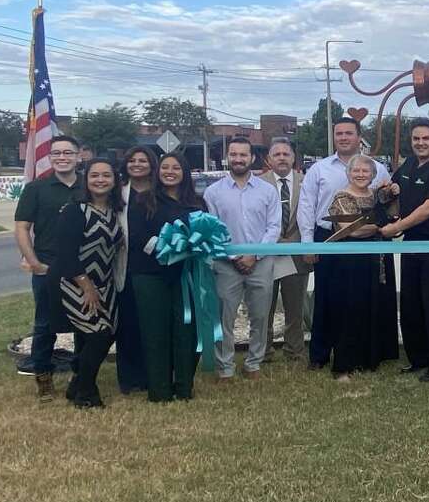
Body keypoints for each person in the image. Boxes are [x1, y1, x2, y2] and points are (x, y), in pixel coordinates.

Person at [297, 117, 390, 369]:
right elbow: (306, 205)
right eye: (339, 133)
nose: (344, 137)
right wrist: (308, 243)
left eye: (349, 133)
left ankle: (362, 353)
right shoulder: (319, 169)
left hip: (366, 243)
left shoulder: (378, 168)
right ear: (334, 137)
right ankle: (319, 355)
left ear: (359, 136)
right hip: (326, 238)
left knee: (360, 298)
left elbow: (385, 200)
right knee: (327, 297)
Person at [382, 118, 429, 381]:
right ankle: (418, 359)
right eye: (416, 139)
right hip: (412, 245)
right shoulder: (408, 165)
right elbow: (393, 193)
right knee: (411, 303)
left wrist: (396, 228)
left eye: (426, 138)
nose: (421, 143)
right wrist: (389, 193)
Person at [204, 137, 281, 380]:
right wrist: (236, 256)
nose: (238, 159)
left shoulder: (268, 191)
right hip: (226, 264)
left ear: (252, 158)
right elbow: (213, 229)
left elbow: (274, 227)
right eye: (234, 154)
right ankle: (225, 367)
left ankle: (253, 363)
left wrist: (254, 255)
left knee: (260, 316)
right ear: (228, 157)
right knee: (224, 317)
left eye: (243, 155)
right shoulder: (213, 192)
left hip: (261, 262)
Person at [313, 155, 397, 379]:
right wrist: (379, 225)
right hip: (349, 263)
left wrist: (381, 218)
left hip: (375, 260)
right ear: (348, 173)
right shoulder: (342, 196)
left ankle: (368, 359)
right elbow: (351, 230)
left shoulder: (376, 196)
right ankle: (344, 364)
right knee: (349, 309)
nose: (360, 174)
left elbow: (394, 214)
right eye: (356, 171)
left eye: (365, 171)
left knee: (371, 306)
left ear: (372, 174)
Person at [50, 158, 124, 408]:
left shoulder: (116, 211)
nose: (100, 180)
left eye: (106, 175)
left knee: (109, 334)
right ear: (86, 179)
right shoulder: (74, 211)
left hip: (107, 285)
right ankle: (86, 393)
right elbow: (65, 252)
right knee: (99, 336)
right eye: (95, 175)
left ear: (115, 181)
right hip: (76, 284)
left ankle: (77, 382)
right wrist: (86, 286)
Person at [130, 152, 203, 402]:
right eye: (165, 167)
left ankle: (184, 388)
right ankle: (159, 391)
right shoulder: (143, 200)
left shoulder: (197, 203)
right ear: (157, 171)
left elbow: (206, 234)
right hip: (150, 275)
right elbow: (138, 236)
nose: (170, 171)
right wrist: (169, 249)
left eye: (176, 168)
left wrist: (194, 250)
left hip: (187, 277)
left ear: (185, 173)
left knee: (187, 331)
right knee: (155, 332)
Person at [14, 133, 81, 401]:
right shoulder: (36, 189)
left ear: (79, 156)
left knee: (83, 326)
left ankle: (81, 376)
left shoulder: (89, 187)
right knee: (45, 326)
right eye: (56, 153)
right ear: (50, 157)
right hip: (48, 269)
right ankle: (43, 379)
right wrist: (34, 263)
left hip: (82, 269)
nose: (62, 158)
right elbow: (22, 229)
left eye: (68, 153)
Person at [259, 137, 310, 363]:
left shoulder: (306, 181)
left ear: (293, 158)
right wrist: (273, 242)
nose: (281, 157)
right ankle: (263, 351)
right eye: (276, 154)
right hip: (266, 255)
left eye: (286, 154)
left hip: (297, 254)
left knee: (295, 308)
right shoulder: (257, 183)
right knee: (263, 308)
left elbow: (311, 217)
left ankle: (295, 352)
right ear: (269, 159)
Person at [115, 145, 159, 395]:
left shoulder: (159, 192)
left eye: (143, 160)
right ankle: (130, 378)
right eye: (132, 160)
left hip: (156, 269)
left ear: (151, 164)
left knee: (151, 326)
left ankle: (153, 373)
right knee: (128, 325)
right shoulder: (118, 193)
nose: (137, 164)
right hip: (126, 268)